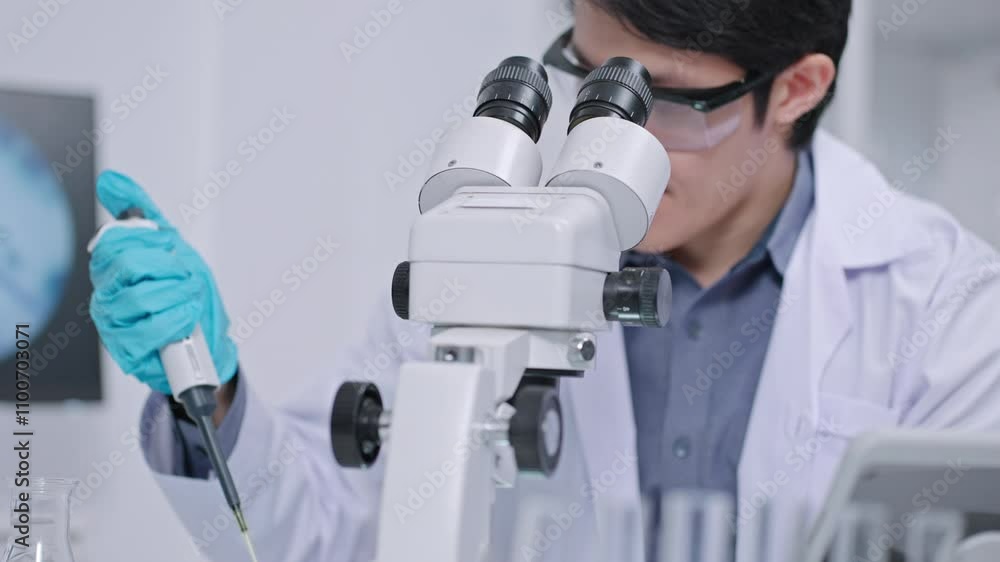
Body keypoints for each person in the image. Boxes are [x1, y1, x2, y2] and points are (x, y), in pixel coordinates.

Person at [87, 1, 1000, 561]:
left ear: (797, 88)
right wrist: (208, 388)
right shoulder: (488, 253)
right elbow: (323, 530)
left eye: (667, 101)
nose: (621, 137)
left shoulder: (948, 307)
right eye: (594, 79)